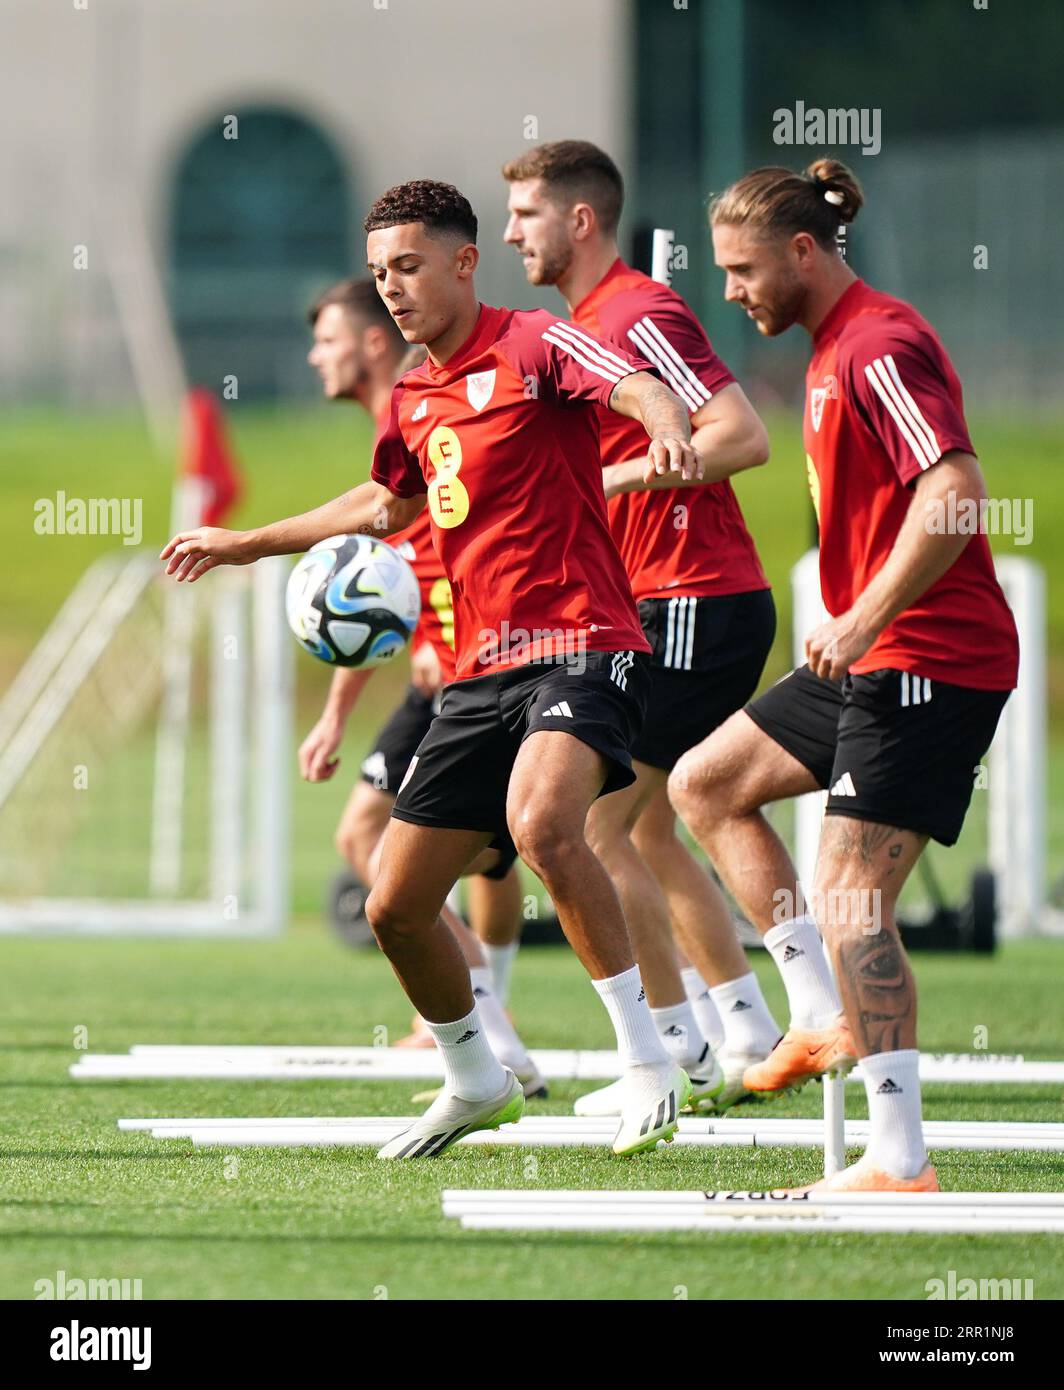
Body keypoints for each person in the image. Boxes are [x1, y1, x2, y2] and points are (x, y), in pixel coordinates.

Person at [162, 179, 702, 1159]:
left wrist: (664, 428)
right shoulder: (412, 395)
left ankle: (645, 1061)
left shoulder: (535, 339)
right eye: (378, 273)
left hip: (583, 644)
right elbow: (384, 509)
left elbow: (630, 382)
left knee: (545, 823)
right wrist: (249, 543)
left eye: (407, 266)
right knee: (393, 904)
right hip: (475, 675)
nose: (392, 289)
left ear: (463, 261)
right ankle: (473, 1076)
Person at [669, 158, 1019, 1193]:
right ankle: (817, 1012)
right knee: (703, 782)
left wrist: (863, 610)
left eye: (740, 269)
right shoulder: (827, 351)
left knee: (851, 898)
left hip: (930, 661)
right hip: (873, 654)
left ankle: (897, 1157)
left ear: (802, 252)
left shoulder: (875, 345)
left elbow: (954, 490)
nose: (727, 290)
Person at [502, 140, 782, 1111]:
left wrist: (605, 477)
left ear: (579, 220)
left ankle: (681, 1050)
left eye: (525, 214)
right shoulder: (585, 323)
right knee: (649, 827)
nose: (508, 234)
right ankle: (737, 1030)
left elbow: (738, 435)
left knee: (592, 825)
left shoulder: (635, 310)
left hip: (691, 596)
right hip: (654, 602)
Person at [299, 277, 540, 1089]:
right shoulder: (403, 412)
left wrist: (445, 639)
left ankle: (487, 1026)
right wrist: (337, 711)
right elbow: (382, 581)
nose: (315, 356)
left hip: (469, 669)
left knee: (374, 839)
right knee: (495, 857)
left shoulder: (417, 405)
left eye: (327, 340)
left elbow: (418, 557)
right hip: (458, 663)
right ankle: (489, 1018)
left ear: (371, 344)